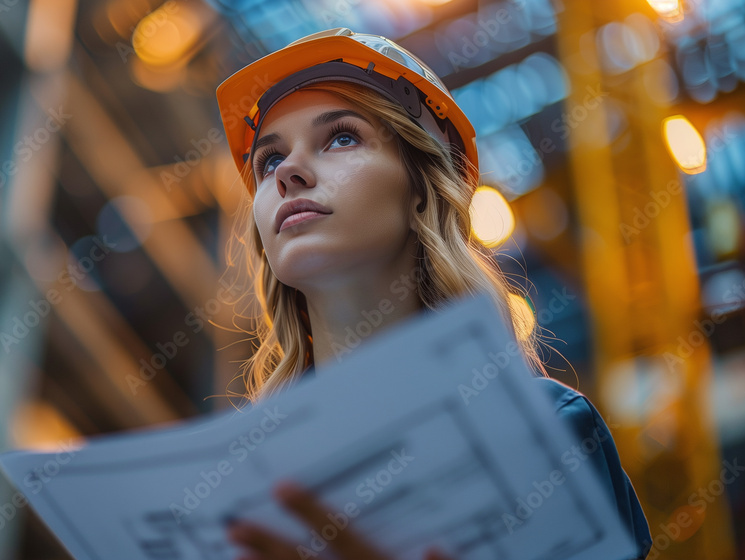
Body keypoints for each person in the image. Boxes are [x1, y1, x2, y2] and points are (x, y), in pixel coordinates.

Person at [214, 28, 652, 560]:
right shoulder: (235, 491)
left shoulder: (545, 429)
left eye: (341, 137)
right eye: (268, 161)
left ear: (423, 187)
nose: (287, 173)